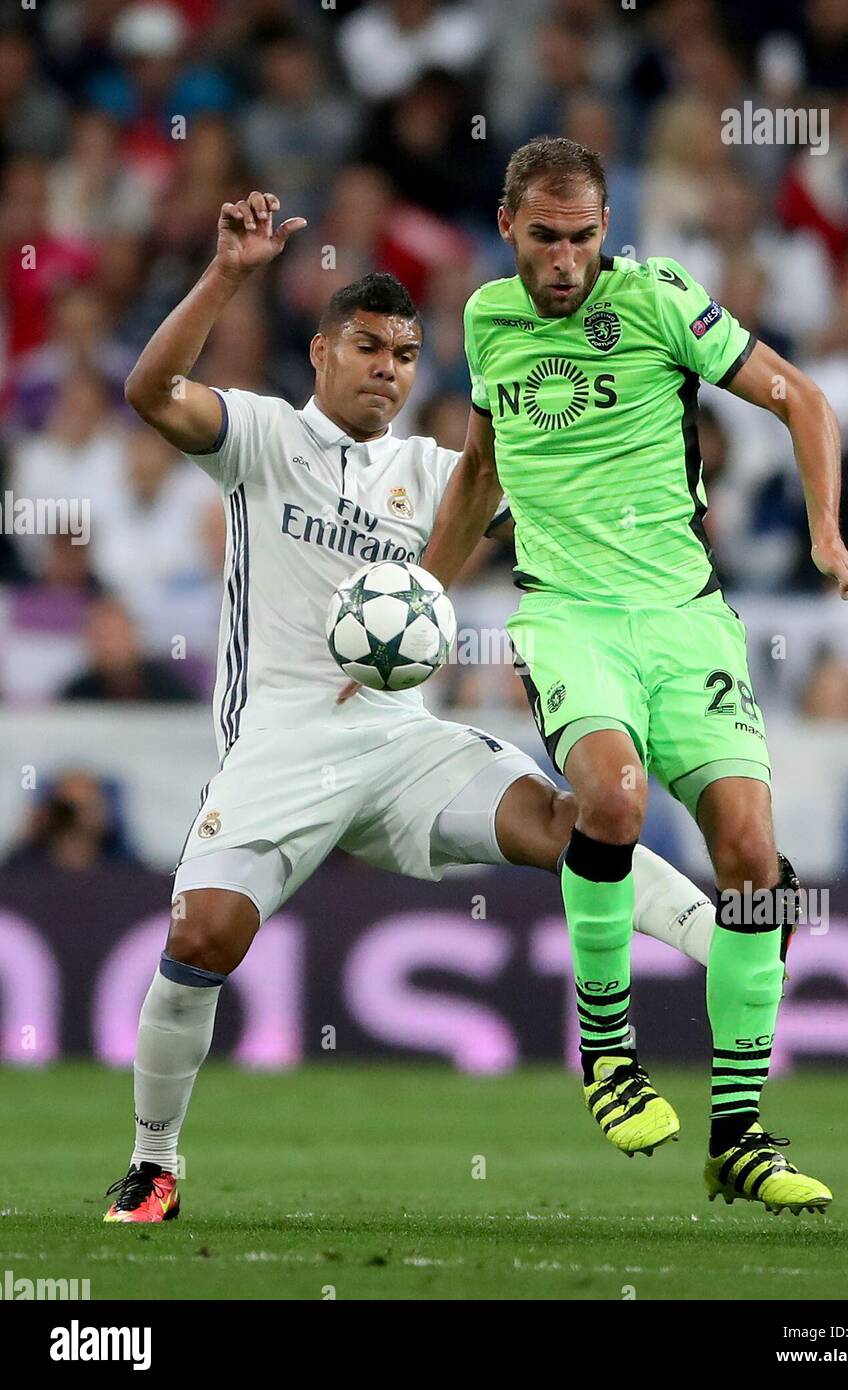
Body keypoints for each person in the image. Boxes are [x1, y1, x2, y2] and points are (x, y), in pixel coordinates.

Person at [104, 189, 755, 1224]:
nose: (387, 370)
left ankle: (732, 945)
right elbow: (151, 390)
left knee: (572, 819)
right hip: (282, 741)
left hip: (402, 744)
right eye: (366, 347)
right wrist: (229, 274)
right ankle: (153, 1161)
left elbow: (568, 492)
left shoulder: (439, 470)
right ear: (321, 353)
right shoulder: (263, 438)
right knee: (203, 940)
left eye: (405, 355)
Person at [422, 137, 848, 1215]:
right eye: (542, 237)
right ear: (508, 229)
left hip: (687, 623)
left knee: (749, 855)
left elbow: (803, 401)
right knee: (611, 797)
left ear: (606, 230)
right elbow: (476, 479)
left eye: (582, 237)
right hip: (568, 616)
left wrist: (826, 535)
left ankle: (738, 1135)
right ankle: (607, 1050)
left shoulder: (657, 301)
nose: (563, 259)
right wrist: (417, 601)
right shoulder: (486, 321)